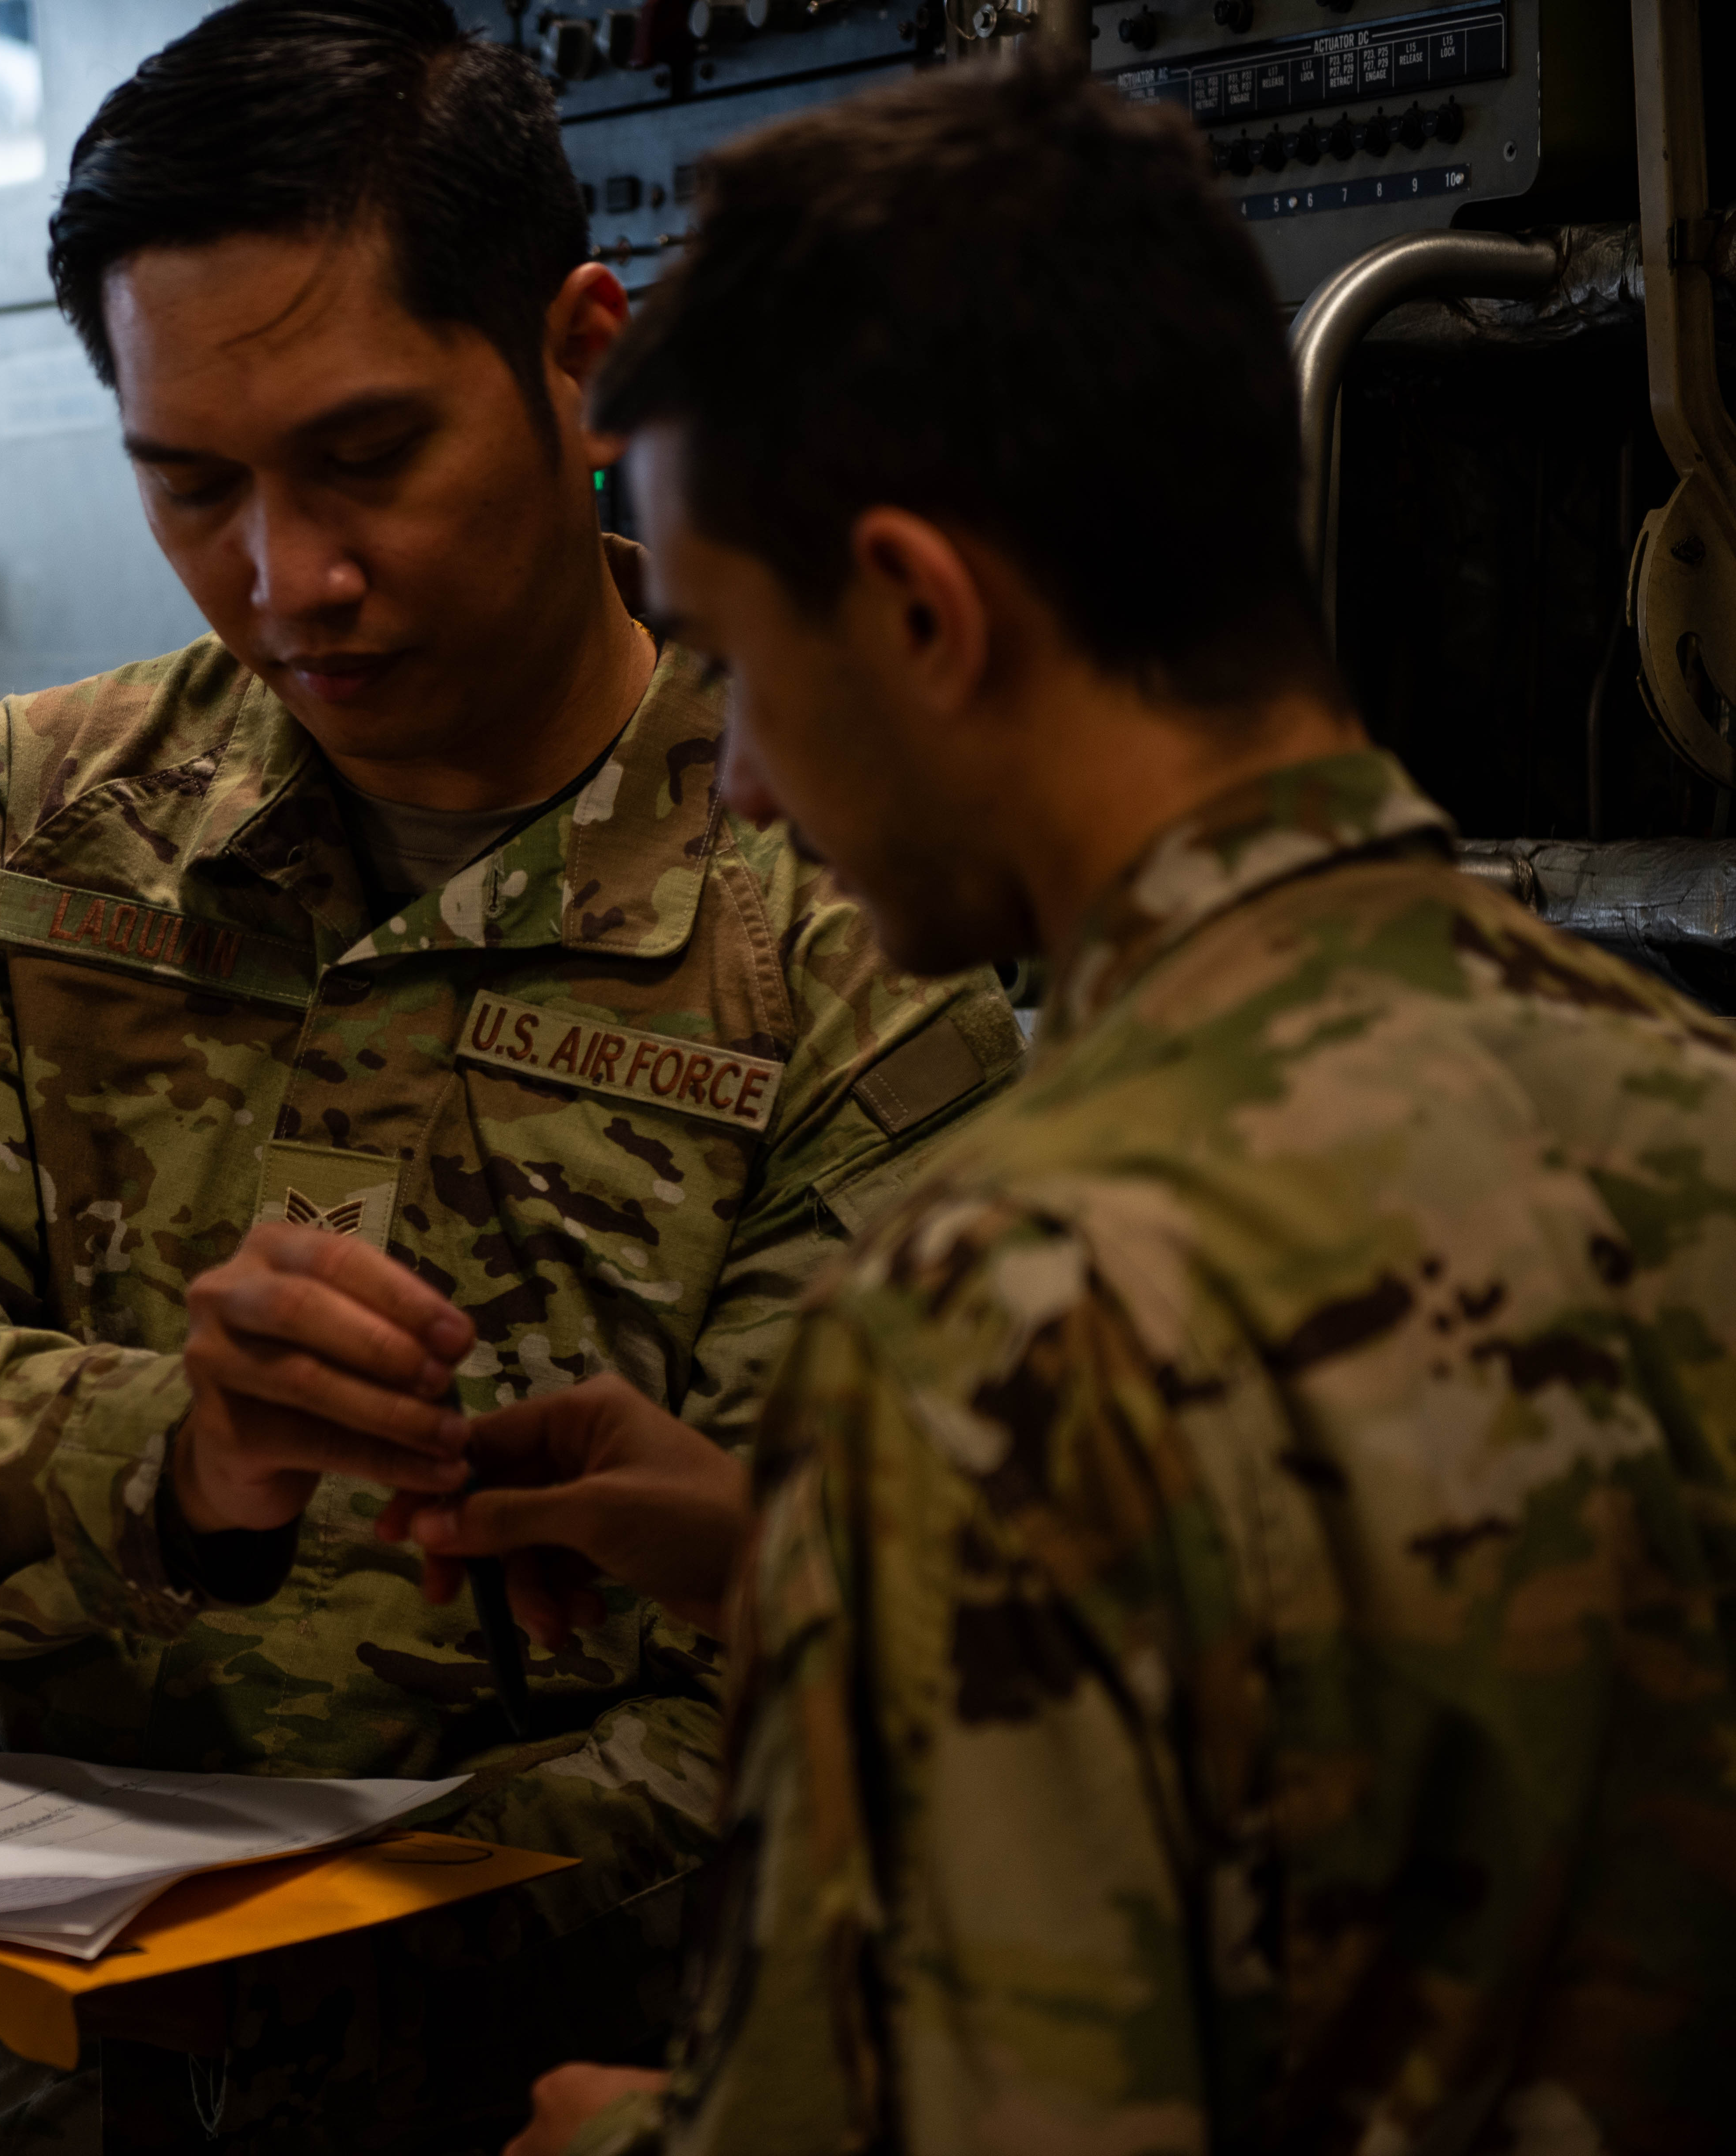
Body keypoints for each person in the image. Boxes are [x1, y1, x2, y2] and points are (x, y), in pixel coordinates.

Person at [380, 57, 1736, 2156]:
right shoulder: (1690, 1103)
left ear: (922, 612)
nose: (733, 780)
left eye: (731, 663)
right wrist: (780, 1549)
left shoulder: (1006, 1316)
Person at [0, 5, 1019, 2149]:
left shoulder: (839, 887)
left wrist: (343, 1918)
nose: (284, 576)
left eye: (365, 456)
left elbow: (883, 1625)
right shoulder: (27, 832)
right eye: (191, 484)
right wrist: (173, 1452)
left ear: (578, 350)